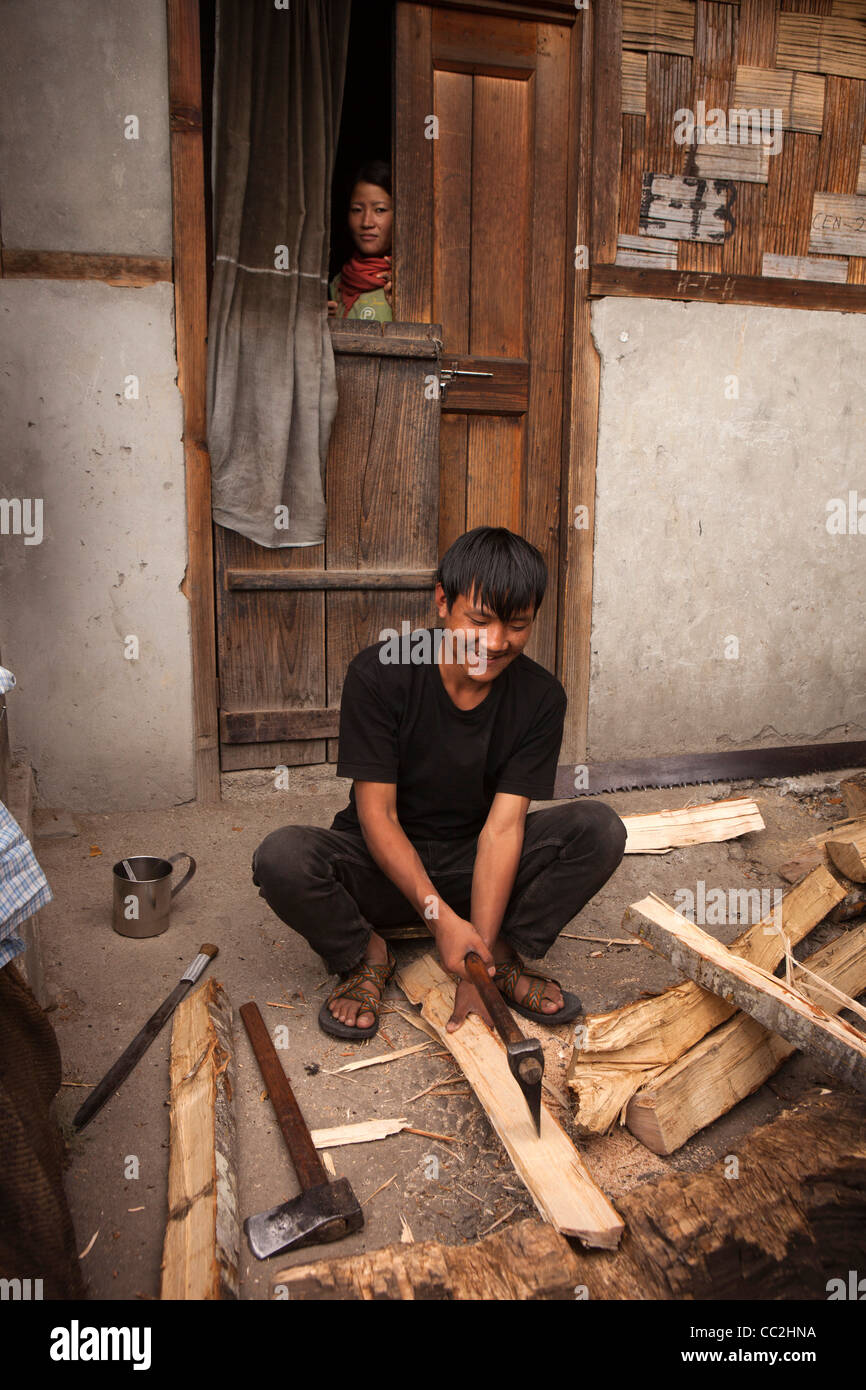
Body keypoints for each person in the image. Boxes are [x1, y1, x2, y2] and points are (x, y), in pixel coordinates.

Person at [252, 527, 627, 1041]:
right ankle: (367, 952)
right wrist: (439, 920)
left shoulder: (541, 698)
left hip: (475, 862)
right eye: (479, 620)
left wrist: (479, 963)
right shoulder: (379, 675)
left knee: (598, 829)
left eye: (517, 625)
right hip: (383, 868)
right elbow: (376, 816)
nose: (496, 643)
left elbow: (503, 829)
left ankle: (501, 956)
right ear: (442, 602)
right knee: (282, 857)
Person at [328, 160, 393, 322]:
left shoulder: (409, 284)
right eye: (357, 210)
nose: (366, 222)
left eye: (380, 210)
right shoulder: (336, 285)